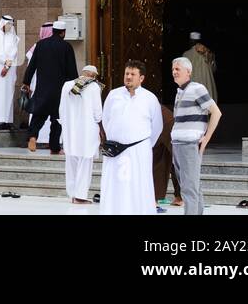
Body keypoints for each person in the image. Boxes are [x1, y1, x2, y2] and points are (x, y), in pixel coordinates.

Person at [100, 60, 164, 215]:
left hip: (138, 150)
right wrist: (117, 139)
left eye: (132, 74)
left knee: (138, 184)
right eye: (126, 74)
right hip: (115, 150)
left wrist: (141, 145)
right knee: (114, 184)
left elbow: (157, 126)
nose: (128, 77)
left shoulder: (150, 98)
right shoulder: (114, 95)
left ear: (141, 78)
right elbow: (106, 119)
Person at [171, 55, 221, 215]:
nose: (174, 72)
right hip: (178, 145)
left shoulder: (197, 88)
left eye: (178, 69)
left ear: (188, 71)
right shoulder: (179, 92)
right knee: (192, 186)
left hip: (189, 145)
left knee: (189, 188)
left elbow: (216, 112)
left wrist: (206, 138)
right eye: (173, 69)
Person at [20, 18, 77, 154]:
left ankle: (32, 136)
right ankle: (54, 147)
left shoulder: (41, 45)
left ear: (53, 31)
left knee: (39, 115)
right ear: (63, 33)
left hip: (42, 89)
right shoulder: (67, 47)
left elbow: (32, 66)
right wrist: (74, 87)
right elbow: (72, 71)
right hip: (59, 91)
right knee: (57, 119)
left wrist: (26, 82)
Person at [59, 64, 103, 203]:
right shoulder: (94, 87)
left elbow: (61, 109)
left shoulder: (67, 85)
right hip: (87, 132)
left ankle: (72, 194)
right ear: (93, 76)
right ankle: (80, 196)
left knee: (71, 162)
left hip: (70, 130)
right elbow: (98, 113)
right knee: (85, 163)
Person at [0, 15, 21, 130]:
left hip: (9, 69)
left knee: (8, 93)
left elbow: (14, 51)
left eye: (11, 25)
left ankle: (7, 121)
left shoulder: (13, 37)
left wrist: (7, 65)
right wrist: (3, 61)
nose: (10, 27)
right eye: (8, 24)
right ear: (3, 24)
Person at [153, 104, 183, 208]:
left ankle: (181, 196)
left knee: (177, 161)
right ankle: (155, 197)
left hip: (167, 125)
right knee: (159, 160)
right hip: (155, 129)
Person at [182, 32, 218, 102]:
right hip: (207, 90)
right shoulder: (208, 53)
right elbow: (214, 69)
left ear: (191, 41)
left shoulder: (186, 54)